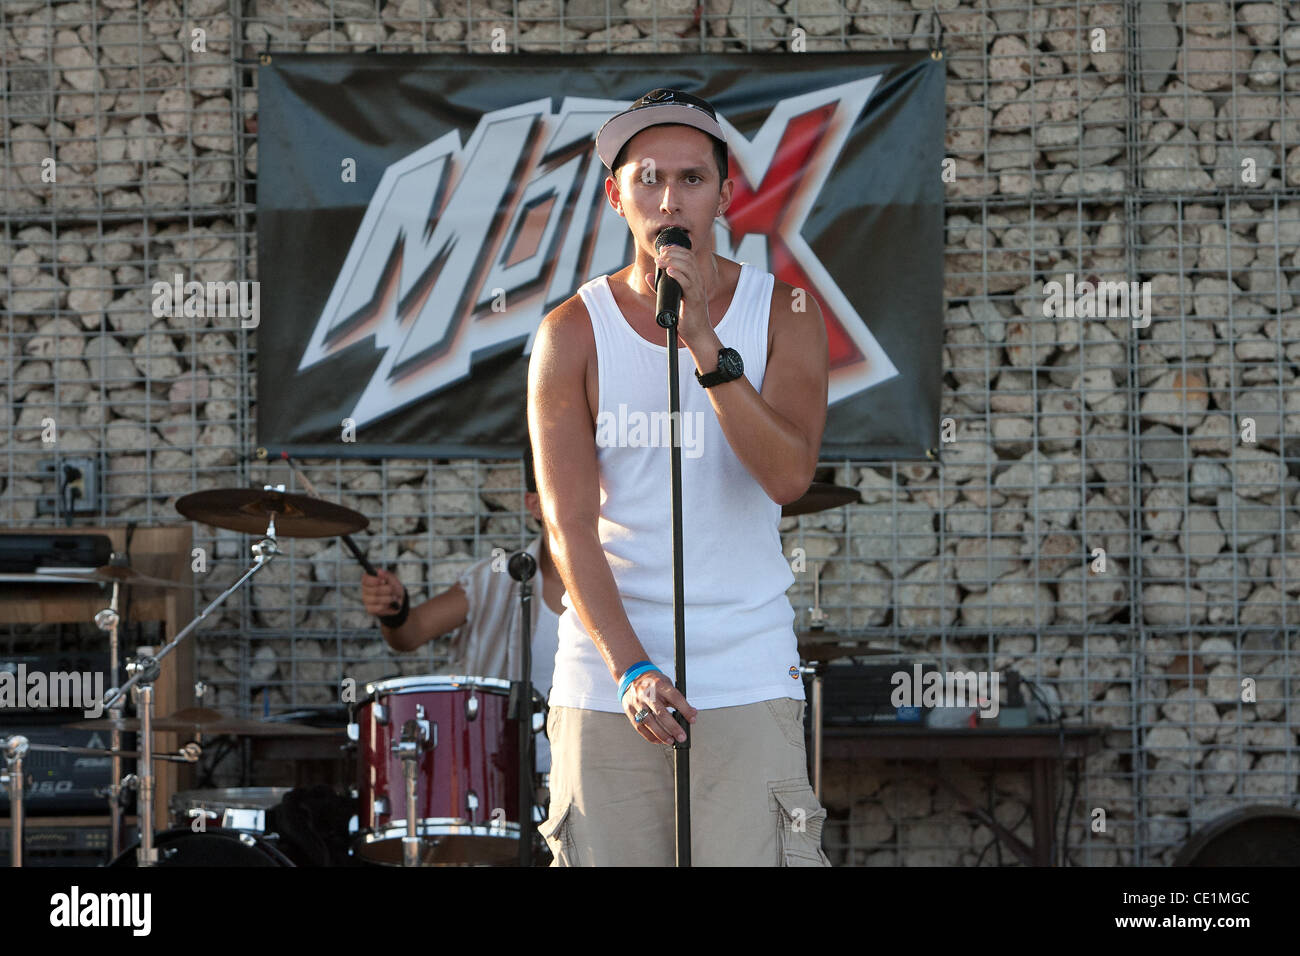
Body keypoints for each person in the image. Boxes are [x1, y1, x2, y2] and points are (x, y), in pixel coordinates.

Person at [527, 88, 831, 866]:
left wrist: (703, 343)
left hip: (746, 673)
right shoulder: (569, 333)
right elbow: (567, 527)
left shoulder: (787, 311)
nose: (670, 198)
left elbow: (789, 476)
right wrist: (630, 666)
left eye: (692, 179)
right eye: (649, 178)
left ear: (726, 194)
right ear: (615, 195)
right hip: (607, 684)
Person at [359, 448, 564, 774]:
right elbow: (410, 634)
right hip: (502, 788)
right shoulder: (494, 579)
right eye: (564, 487)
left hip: (599, 786)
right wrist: (393, 611)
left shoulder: (625, 585)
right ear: (534, 504)